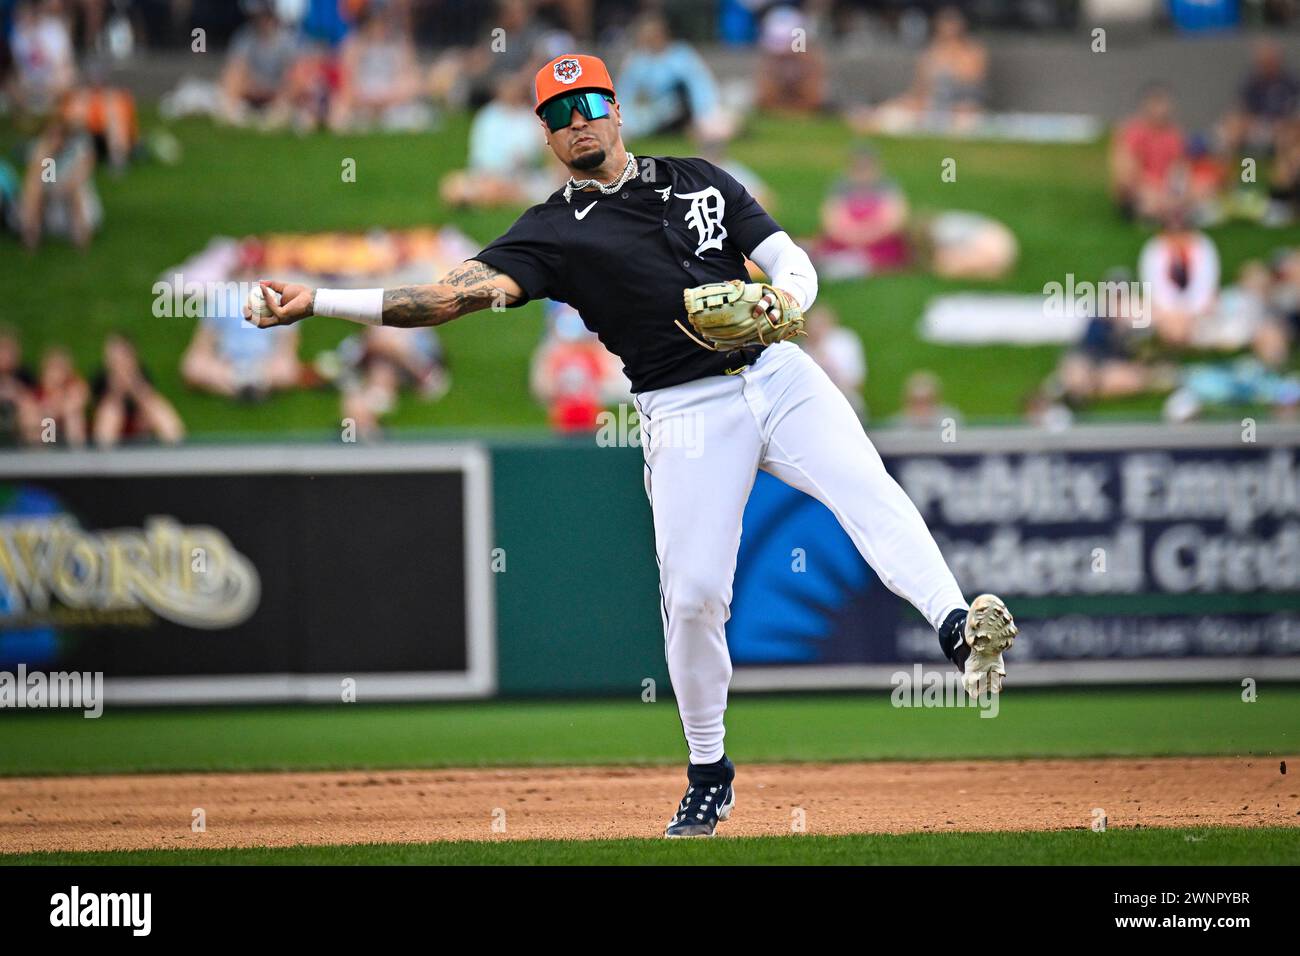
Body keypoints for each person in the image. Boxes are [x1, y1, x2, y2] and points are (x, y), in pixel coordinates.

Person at [247, 52, 1017, 839]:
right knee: (692, 596)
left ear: (616, 109)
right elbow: (443, 299)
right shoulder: (550, 233)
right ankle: (709, 771)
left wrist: (787, 301)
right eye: (556, 114)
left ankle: (957, 630)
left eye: (586, 105)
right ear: (546, 135)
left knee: (869, 490)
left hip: (780, 372)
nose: (575, 122)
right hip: (683, 407)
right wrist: (320, 301)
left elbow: (792, 259)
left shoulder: (697, 178)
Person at [439, 72, 558, 208]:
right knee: (453, 185)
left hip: (521, 177)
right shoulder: (488, 116)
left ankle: (491, 197)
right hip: (487, 176)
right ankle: (492, 196)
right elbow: (481, 153)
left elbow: (542, 152)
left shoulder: (531, 118)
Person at [615, 12, 731, 140]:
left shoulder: (681, 54)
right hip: (654, 111)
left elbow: (700, 85)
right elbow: (624, 94)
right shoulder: (637, 61)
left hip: (685, 108)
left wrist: (703, 113)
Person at [182, 281, 303, 400]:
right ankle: (245, 386)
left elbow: (286, 351)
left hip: (265, 366)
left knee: (285, 372)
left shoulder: (280, 300)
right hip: (225, 366)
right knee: (194, 369)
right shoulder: (220, 300)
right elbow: (202, 346)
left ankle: (243, 385)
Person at [332, 325, 449, 441]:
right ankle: (361, 442)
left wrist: (395, 351)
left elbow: (432, 377)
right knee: (354, 410)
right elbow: (346, 358)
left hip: (396, 381)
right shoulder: (355, 397)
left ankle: (369, 442)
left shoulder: (421, 338)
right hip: (373, 392)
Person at [810, 145, 910, 280]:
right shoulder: (840, 188)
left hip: (880, 244)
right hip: (843, 242)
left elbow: (895, 220)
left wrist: (866, 235)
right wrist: (853, 235)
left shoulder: (888, 188)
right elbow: (831, 221)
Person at [329, 4, 429, 132]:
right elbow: (347, 85)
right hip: (363, 99)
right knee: (339, 112)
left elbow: (412, 79)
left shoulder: (399, 44)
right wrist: (368, 101)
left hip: (392, 99)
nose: (379, 28)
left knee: (413, 90)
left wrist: (387, 99)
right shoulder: (353, 45)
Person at [1138, 205, 1221, 348]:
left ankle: (1179, 331)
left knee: (1215, 307)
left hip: (1196, 311)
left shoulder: (1204, 246)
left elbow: (1206, 284)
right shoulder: (1153, 249)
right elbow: (1153, 287)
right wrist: (1171, 313)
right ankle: (1176, 331)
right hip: (1165, 311)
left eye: (1181, 233)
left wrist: (1189, 313)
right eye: (1172, 234)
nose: (1177, 239)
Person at [17, 113, 100, 249]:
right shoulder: (42, 150)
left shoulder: (79, 149)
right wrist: (48, 156)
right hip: (52, 203)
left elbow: (79, 177)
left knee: (74, 189)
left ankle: (82, 239)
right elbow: (42, 180)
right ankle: (31, 236)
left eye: (60, 134)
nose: (56, 139)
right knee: (34, 187)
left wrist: (59, 187)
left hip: (77, 203)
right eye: (51, 135)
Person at [219, 1, 303, 129]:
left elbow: (292, 75)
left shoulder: (287, 39)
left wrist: (277, 92)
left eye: (265, 15)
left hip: (277, 91)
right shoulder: (244, 36)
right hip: (252, 88)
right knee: (232, 75)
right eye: (259, 15)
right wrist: (254, 87)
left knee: (297, 76)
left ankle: (277, 114)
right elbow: (237, 68)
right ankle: (232, 112)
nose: (262, 20)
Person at [90, 333, 184, 447]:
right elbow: (99, 409)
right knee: (111, 410)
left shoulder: (141, 373)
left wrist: (133, 384)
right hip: (113, 424)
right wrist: (117, 390)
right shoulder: (102, 377)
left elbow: (149, 399)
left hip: (140, 423)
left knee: (155, 405)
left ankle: (176, 445)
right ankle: (105, 457)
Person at [1110, 84, 1186, 223]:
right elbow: (1125, 172)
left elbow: (1179, 167)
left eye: (1164, 103)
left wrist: (1175, 191)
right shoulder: (1132, 131)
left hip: (1165, 191)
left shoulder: (1173, 134)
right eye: (1157, 103)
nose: (1161, 109)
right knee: (1149, 204)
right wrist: (1151, 190)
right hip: (1141, 191)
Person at [1220, 39, 1299, 157]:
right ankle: (1234, 171)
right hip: (1257, 124)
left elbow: (1295, 110)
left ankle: (1281, 172)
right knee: (1231, 130)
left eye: (1270, 61)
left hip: (1284, 126)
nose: (1266, 65)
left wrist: (1286, 124)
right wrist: (1249, 123)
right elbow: (1241, 109)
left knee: (1289, 136)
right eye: (1262, 62)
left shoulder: (1291, 82)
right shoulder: (1251, 82)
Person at [7, 0, 77, 118]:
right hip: (30, 85)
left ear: (35, 12)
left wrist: (48, 87)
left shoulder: (55, 30)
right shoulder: (17, 34)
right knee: (11, 85)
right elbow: (19, 68)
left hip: (52, 81)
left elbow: (64, 65)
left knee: (66, 78)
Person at [800, 306, 865, 418]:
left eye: (819, 325)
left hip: (845, 397)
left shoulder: (845, 341)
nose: (815, 330)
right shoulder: (801, 350)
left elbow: (857, 380)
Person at [30, 346, 88, 446]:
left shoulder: (74, 384)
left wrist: (58, 406)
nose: (56, 374)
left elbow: (78, 400)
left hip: (68, 423)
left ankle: (76, 450)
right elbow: (37, 407)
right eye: (52, 369)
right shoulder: (40, 389)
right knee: (46, 419)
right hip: (48, 422)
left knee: (73, 416)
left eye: (59, 368)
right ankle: (45, 451)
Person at [0, 327, 39, 446]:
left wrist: (17, 395)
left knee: (34, 412)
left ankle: (41, 451)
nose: (7, 356)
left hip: (18, 414)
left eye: (10, 352)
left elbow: (36, 398)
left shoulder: (24, 373)